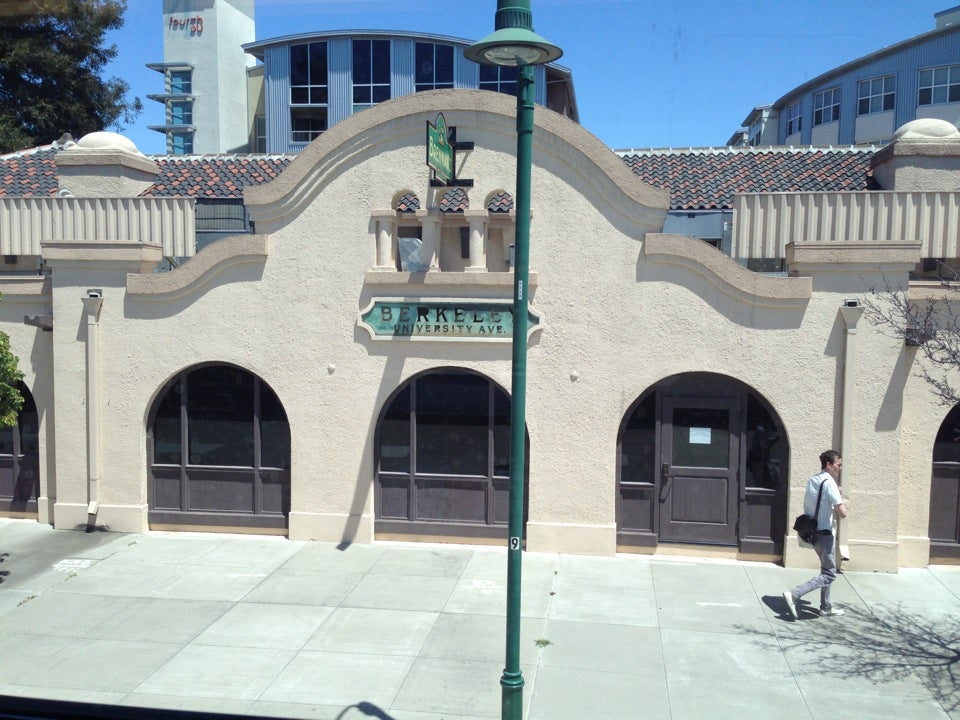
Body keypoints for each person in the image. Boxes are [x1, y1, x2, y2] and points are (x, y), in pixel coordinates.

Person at [783, 450, 848, 619]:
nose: (839, 469)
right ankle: (795, 594)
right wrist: (840, 498)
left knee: (826, 567)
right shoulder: (830, 483)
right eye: (838, 465)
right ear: (828, 465)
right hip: (825, 533)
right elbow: (843, 513)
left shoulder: (813, 480)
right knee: (830, 573)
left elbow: (813, 503)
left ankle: (825, 607)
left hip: (813, 532)